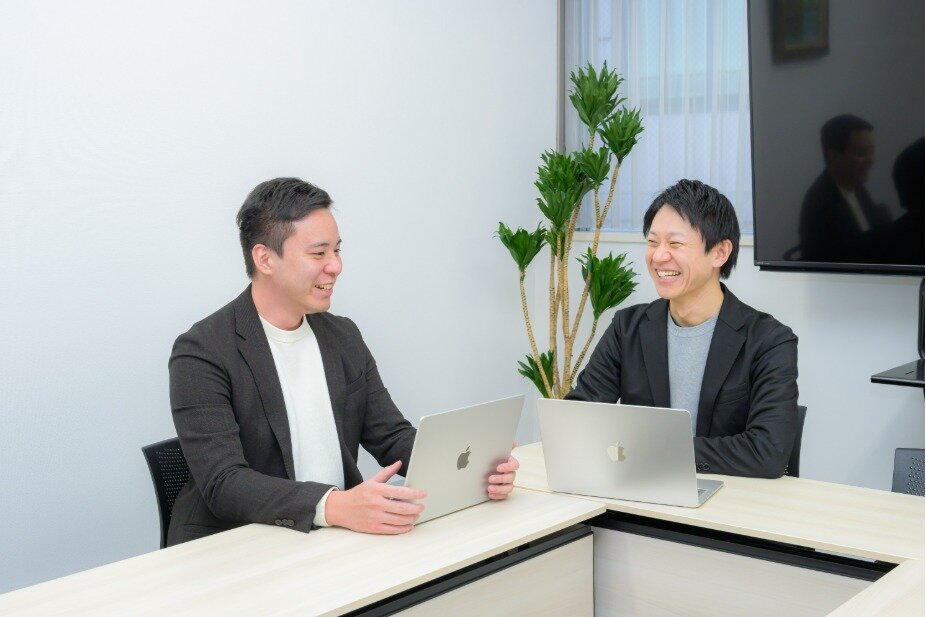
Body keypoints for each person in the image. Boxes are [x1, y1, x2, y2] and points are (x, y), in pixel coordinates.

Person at [167, 178, 519, 546]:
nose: (335, 266)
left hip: (333, 541)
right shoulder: (202, 351)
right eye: (318, 254)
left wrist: (474, 468)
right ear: (265, 259)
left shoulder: (342, 336)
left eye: (336, 250)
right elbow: (224, 483)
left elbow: (390, 436)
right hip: (236, 545)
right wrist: (334, 506)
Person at [567, 179, 799, 478]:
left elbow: (768, 453)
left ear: (720, 252)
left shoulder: (769, 341)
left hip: (730, 497)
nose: (659, 256)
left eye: (675, 244)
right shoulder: (627, 329)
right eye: (653, 242)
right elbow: (578, 419)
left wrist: (656, 451)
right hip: (642, 490)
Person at [798, 114, 892, 263]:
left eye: (871, 151)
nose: (871, 160)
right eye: (861, 153)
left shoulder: (857, 188)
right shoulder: (819, 204)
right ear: (833, 156)